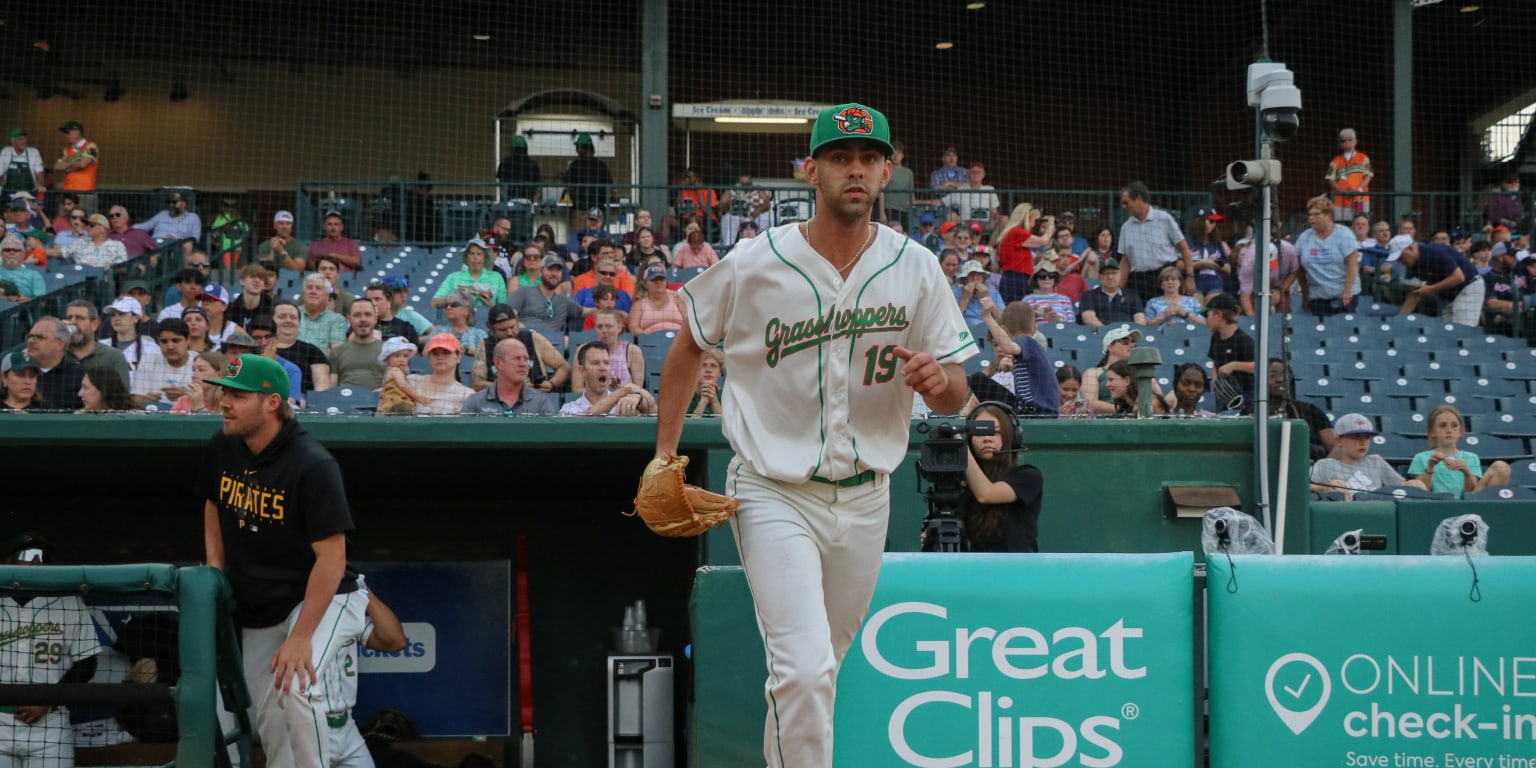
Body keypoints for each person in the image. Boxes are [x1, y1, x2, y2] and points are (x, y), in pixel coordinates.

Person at [650, 103, 973, 768]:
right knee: (802, 669)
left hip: (865, 498)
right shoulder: (754, 261)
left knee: (815, 676)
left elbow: (959, 390)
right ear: (813, 172)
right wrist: (664, 455)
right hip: (774, 489)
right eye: (839, 158)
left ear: (887, 171)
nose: (855, 169)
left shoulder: (915, 267)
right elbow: (687, 349)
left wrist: (938, 384)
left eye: (868, 159)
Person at [197, 353, 365, 768]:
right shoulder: (224, 445)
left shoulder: (313, 463)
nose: (224, 402)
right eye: (225, 392)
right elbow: (213, 505)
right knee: (271, 719)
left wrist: (302, 636)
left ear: (271, 402)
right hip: (263, 609)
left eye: (238, 395)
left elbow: (332, 558)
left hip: (324, 598)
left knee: (298, 687)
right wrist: (216, 569)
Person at [0, 532, 102, 768]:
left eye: (42, 556)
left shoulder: (68, 601)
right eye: (28, 554)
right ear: (9, 562)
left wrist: (47, 699)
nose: (37, 561)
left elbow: (87, 663)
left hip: (50, 725)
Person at [948, 402, 1044, 552]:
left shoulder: (1029, 476)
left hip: (1018, 571)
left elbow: (986, 494)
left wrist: (960, 446)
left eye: (995, 432)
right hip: (975, 571)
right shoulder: (961, 482)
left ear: (1012, 437)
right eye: (979, 432)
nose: (987, 438)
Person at [1406, 405, 1512, 500]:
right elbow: (1421, 491)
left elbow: (1471, 492)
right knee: (1413, 484)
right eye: (1442, 425)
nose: (1449, 430)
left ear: (1460, 432)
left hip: (1467, 506)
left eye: (1454, 425)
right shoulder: (1421, 457)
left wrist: (1466, 473)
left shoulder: (1471, 457)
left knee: (1501, 466)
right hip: (1435, 505)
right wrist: (1430, 468)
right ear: (1432, 432)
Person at [1310, 414, 1424, 500]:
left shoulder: (1376, 461)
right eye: (1355, 437)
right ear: (1339, 441)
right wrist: (1326, 489)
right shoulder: (1325, 465)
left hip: (1379, 511)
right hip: (1344, 514)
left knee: (1416, 484)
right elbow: (1303, 487)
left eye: (1366, 437)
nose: (1362, 442)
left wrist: (1413, 485)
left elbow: (1401, 487)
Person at [1117, 181, 1192, 302]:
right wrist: (1119, 288)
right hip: (1138, 281)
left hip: (1165, 277)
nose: (1123, 207)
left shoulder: (1164, 218)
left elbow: (1183, 248)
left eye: (1126, 202)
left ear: (1139, 199)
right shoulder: (1126, 227)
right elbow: (1125, 261)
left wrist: (1190, 277)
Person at [471, 304, 568, 394]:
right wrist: (513, 386)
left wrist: (552, 383)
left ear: (517, 321)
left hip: (536, 398)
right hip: (500, 400)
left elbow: (564, 367)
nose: (509, 332)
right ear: (491, 328)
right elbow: (477, 384)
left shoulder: (533, 338)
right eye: (502, 330)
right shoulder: (485, 345)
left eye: (512, 327)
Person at [1389, 235, 1484, 326]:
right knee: (1447, 330)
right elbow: (1415, 293)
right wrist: (1399, 321)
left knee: (1462, 329)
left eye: (1401, 257)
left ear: (1410, 248)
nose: (1400, 262)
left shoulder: (1434, 251)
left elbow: (1458, 277)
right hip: (1450, 296)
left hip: (1469, 286)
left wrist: (1430, 289)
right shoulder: (1413, 264)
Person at [1295, 196, 1361, 316]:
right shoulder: (1305, 237)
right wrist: (1305, 295)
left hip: (1343, 295)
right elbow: (1299, 269)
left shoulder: (1344, 234)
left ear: (1329, 215)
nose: (1311, 218)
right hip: (1317, 296)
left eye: (1316, 214)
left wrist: (1347, 291)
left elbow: (1353, 264)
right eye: (1310, 215)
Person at [461, 336, 557, 416]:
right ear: (498, 363)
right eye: (517, 358)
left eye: (526, 359)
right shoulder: (475, 403)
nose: (523, 364)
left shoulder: (540, 403)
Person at [1266, 359, 1335, 462]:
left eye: (1284, 375)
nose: (1279, 380)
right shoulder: (1250, 413)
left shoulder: (1310, 410)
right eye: (1272, 375)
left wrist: (1319, 470)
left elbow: (1335, 448)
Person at [561, 342, 654, 416]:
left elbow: (658, 413)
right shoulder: (569, 408)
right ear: (582, 371)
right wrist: (624, 391)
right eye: (595, 363)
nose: (603, 368)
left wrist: (640, 401)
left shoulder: (625, 402)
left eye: (606, 362)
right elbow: (585, 420)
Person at [506, 255, 588, 338]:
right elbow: (508, 314)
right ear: (540, 272)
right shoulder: (524, 292)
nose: (554, 274)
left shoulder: (564, 301)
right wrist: (522, 328)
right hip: (526, 339)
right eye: (550, 269)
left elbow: (586, 312)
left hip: (553, 343)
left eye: (558, 270)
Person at [131, 318, 197, 408]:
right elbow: (136, 399)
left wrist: (186, 396)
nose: (170, 346)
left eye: (176, 340)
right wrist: (145, 400)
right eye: (164, 341)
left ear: (188, 340)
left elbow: (214, 399)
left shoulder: (199, 362)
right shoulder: (148, 362)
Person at [1203, 294, 1254, 412]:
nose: (1206, 320)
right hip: (1225, 396)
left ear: (1218, 315)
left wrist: (1234, 365)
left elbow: (1258, 366)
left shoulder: (1243, 340)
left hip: (1246, 396)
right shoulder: (1215, 338)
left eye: (1208, 315)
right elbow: (1215, 363)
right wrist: (1216, 384)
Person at [994, 203, 1054, 303]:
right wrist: (1050, 227)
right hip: (1015, 279)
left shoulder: (1014, 233)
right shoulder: (1016, 232)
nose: (1035, 222)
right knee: (1018, 313)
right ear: (1027, 217)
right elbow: (1043, 241)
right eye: (1034, 219)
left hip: (1019, 278)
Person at [63, 300, 131, 386]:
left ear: (94, 324)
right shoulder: (58, 352)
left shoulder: (113, 357)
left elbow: (122, 396)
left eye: (80, 318)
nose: (72, 322)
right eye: (69, 318)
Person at [26, 316, 86, 410]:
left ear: (60, 345)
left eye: (39, 337)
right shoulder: (17, 372)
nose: (31, 341)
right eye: (30, 336)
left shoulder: (80, 377)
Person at [272, 301, 333, 394]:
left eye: (293, 318)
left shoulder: (312, 351)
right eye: (282, 317)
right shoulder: (261, 349)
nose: (288, 320)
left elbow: (322, 384)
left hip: (303, 403)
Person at [406, 333, 474, 415]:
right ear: (429, 358)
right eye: (435, 353)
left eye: (446, 352)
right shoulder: (411, 381)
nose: (440, 357)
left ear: (458, 357)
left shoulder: (466, 395)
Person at [1237, 235, 1301, 315]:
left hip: (1280, 283)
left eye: (1272, 264)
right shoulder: (1248, 261)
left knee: (1284, 311)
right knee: (1254, 312)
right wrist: (1252, 320)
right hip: (1255, 287)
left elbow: (1294, 272)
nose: (1269, 268)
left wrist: (1280, 290)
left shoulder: (1289, 250)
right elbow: (1245, 295)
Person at [432, 238, 505, 308]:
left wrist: (491, 305)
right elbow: (434, 303)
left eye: (479, 254)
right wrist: (456, 297)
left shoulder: (497, 277)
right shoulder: (453, 277)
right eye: (472, 253)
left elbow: (505, 308)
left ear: (485, 257)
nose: (475, 257)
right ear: (466, 257)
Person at [328, 301, 386, 390]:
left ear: (375, 318)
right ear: (349, 319)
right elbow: (331, 390)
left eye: (367, 314)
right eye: (357, 315)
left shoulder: (389, 351)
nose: (363, 319)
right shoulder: (337, 352)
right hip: (346, 400)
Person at [1076, 258, 1145, 327]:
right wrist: (1108, 333)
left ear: (1120, 274)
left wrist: (1131, 333)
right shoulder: (1089, 295)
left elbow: (1140, 319)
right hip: (1100, 335)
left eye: (1113, 273)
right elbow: (1088, 318)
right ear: (1100, 276)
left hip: (1129, 335)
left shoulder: (1132, 295)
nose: (1110, 277)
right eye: (1105, 274)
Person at [561, 133, 612, 218]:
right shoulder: (601, 165)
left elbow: (568, 185)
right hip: (597, 207)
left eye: (577, 147)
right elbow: (609, 186)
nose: (576, 150)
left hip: (580, 207)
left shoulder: (575, 165)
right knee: (596, 231)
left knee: (580, 231)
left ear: (582, 148)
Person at [1326, 128, 1373, 220]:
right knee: (1341, 227)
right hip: (1340, 201)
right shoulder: (1336, 161)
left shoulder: (1363, 158)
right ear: (1340, 144)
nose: (1347, 142)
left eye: (1350, 139)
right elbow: (1330, 179)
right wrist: (1341, 191)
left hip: (1360, 199)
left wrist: (1359, 189)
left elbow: (1368, 176)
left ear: (1355, 141)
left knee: (1360, 224)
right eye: (1343, 140)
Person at [1186, 208, 1230, 304]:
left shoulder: (1216, 242)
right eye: (1211, 221)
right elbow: (1179, 264)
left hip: (1214, 281)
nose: (1214, 224)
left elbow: (1228, 268)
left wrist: (1216, 263)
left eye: (1215, 222)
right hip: (1194, 279)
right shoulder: (1188, 241)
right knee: (1199, 312)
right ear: (1199, 222)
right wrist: (1201, 264)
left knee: (1212, 311)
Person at [375, 337, 429, 416]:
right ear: (387, 359)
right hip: (393, 405)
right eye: (397, 356)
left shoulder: (395, 371)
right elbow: (403, 385)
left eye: (405, 356)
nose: (402, 359)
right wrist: (418, 397)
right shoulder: (395, 370)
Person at [54, 121, 98, 214]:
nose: (66, 136)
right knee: (63, 221)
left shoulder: (90, 146)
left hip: (85, 192)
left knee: (85, 220)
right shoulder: (66, 150)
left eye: (67, 133)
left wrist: (67, 164)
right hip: (67, 192)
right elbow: (57, 167)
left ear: (76, 132)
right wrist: (75, 164)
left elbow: (83, 164)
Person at [628, 265, 685, 335]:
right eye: (653, 279)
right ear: (645, 284)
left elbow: (689, 322)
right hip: (651, 341)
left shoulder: (678, 298)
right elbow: (633, 327)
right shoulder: (639, 305)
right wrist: (647, 337)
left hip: (678, 337)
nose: (658, 282)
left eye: (661, 279)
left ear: (666, 282)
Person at [132, 192, 202, 243]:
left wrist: (177, 241)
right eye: (169, 202)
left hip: (178, 248)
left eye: (174, 202)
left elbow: (195, 239)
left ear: (184, 203)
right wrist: (129, 227)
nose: (171, 204)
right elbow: (145, 226)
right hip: (157, 245)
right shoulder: (162, 214)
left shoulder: (193, 217)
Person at [953, 259, 1003, 326]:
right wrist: (965, 299)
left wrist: (986, 298)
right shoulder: (955, 293)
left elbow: (1003, 319)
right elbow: (952, 322)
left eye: (978, 274)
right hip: (965, 332)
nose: (975, 278)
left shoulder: (993, 294)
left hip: (989, 331)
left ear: (983, 278)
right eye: (971, 275)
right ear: (964, 279)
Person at [0, 128, 45, 200]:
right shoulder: (6, 152)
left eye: (24, 139)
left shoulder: (34, 152)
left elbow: (39, 173)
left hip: (29, 194)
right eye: (20, 139)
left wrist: (41, 186)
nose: (23, 141)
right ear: (13, 141)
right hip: (9, 194)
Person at [0, 233, 45, 300]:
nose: (11, 252)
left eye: (16, 250)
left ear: (23, 255)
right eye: (7, 250)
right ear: (1, 254)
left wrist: (27, 300)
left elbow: (42, 302)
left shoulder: (34, 275)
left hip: (24, 308)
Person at [497, 135, 542, 202]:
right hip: (527, 200)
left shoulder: (504, 163)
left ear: (512, 148)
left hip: (509, 200)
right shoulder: (533, 164)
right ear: (525, 148)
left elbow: (500, 182)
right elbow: (537, 185)